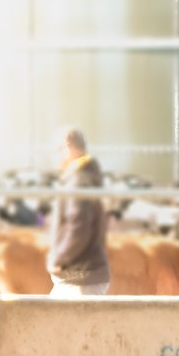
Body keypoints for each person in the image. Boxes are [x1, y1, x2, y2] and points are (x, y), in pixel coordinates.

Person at [46, 127, 110, 297]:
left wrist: (59, 259)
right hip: (79, 276)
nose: (55, 157)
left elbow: (79, 229)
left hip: (81, 277)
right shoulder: (84, 178)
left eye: (58, 150)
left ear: (68, 147)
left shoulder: (79, 182)